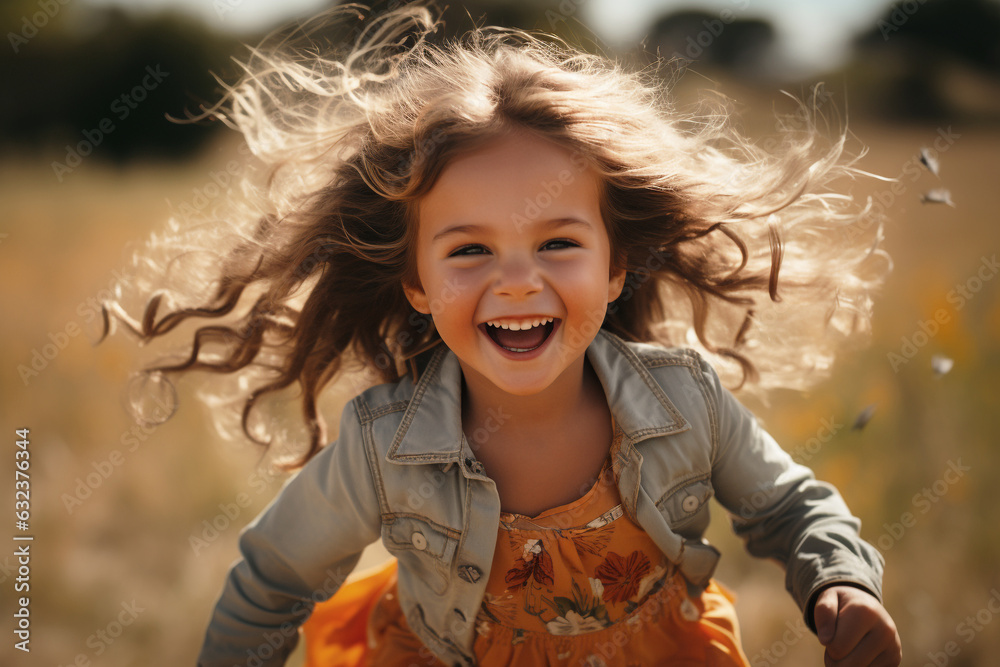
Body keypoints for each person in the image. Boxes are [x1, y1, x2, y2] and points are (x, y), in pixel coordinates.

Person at [99, 2, 901, 665]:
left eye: (558, 242)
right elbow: (274, 579)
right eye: (470, 250)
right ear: (416, 282)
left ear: (616, 266)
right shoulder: (385, 446)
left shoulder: (683, 399)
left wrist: (841, 581)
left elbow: (793, 509)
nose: (516, 280)